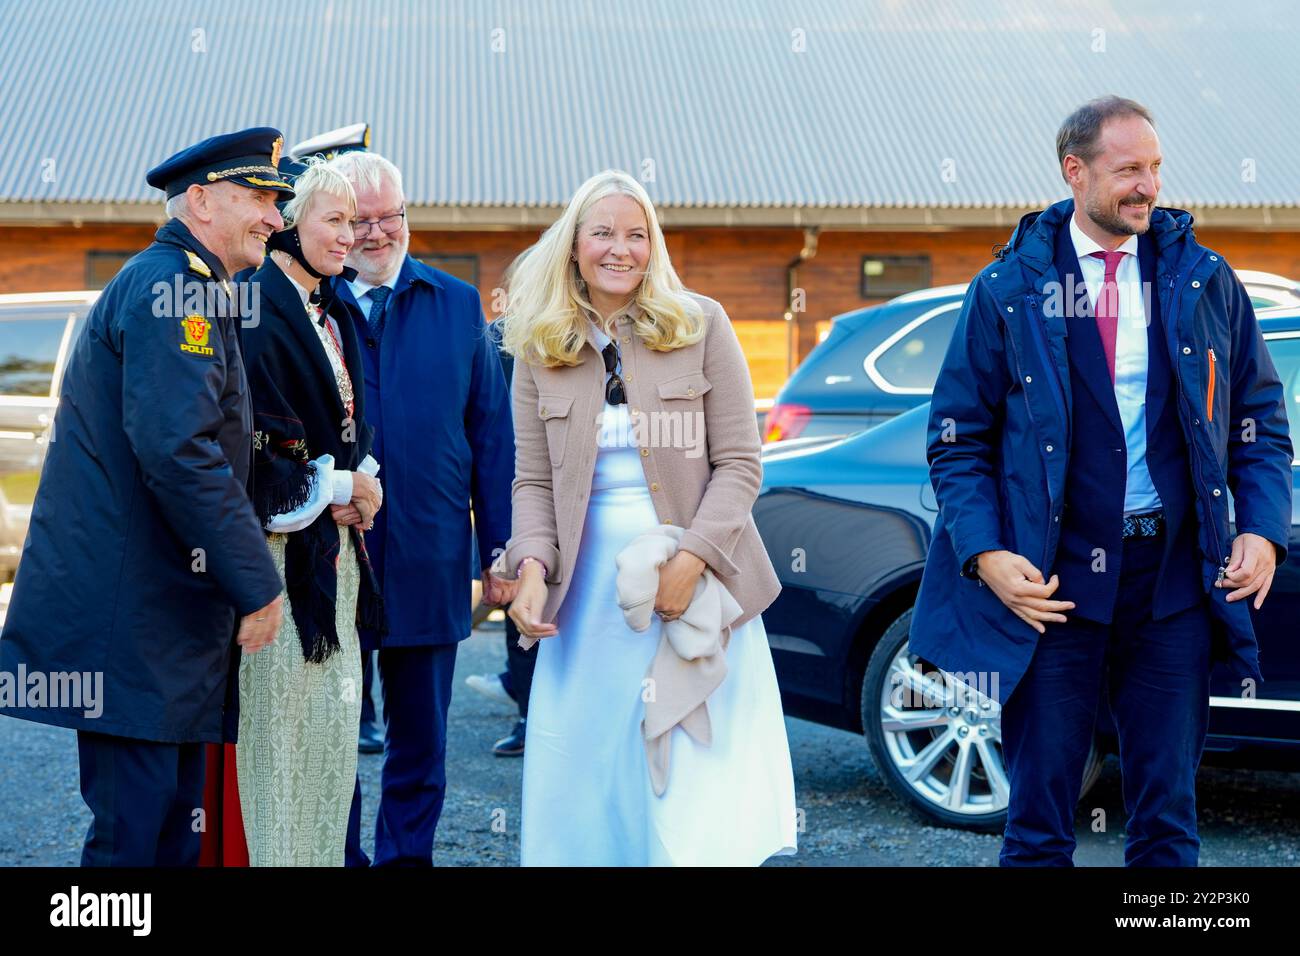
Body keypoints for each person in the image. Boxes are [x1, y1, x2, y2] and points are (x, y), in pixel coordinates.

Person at [910, 96, 1293, 867]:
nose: (1148, 186)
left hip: (1172, 582)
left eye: (1154, 168)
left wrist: (1261, 529)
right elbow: (958, 440)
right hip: (1051, 587)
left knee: (1167, 821)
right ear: (1075, 172)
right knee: (1040, 820)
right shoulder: (1007, 288)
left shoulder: (1204, 280)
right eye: (1128, 171)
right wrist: (985, 554)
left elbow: (1260, 422)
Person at [0, 128, 292, 866]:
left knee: (168, 831)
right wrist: (256, 583)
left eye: (277, 201)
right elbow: (179, 450)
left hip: (157, 620)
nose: (276, 218)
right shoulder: (178, 290)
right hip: (135, 623)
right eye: (258, 198)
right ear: (200, 200)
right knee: (133, 838)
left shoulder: (191, 284)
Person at [493, 169, 798, 866]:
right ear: (574, 246)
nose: (620, 249)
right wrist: (531, 566)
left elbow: (742, 465)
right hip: (588, 600)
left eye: (636, 235)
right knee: (592, 769)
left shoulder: (702, 324)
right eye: (603, 233)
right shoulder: (539, 344)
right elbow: (531, 479)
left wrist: (690, 563)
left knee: (692, 776)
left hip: (698, 587)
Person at [325, 150, 515, 866]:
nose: (375, 234)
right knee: (332, 735)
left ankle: (406, 860)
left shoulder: (458, 303)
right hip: (333, 560)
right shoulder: (313, 302)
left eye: (388, 217)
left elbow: (493, 440)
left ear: (408, 216)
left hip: (431, 559)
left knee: (421, 742)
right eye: (358, 219)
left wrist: (499, 554)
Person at [236, 158, 385, 865]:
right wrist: (338, 488)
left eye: (354, 222)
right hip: (280, 563)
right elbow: (250, 450)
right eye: (335, 219)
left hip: (336, 559)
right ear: (290, 226)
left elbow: (353, 427)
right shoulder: (255, 306)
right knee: (280, 744)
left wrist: (364, 484)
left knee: (330, 738)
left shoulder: (335, 309)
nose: (349, 235)